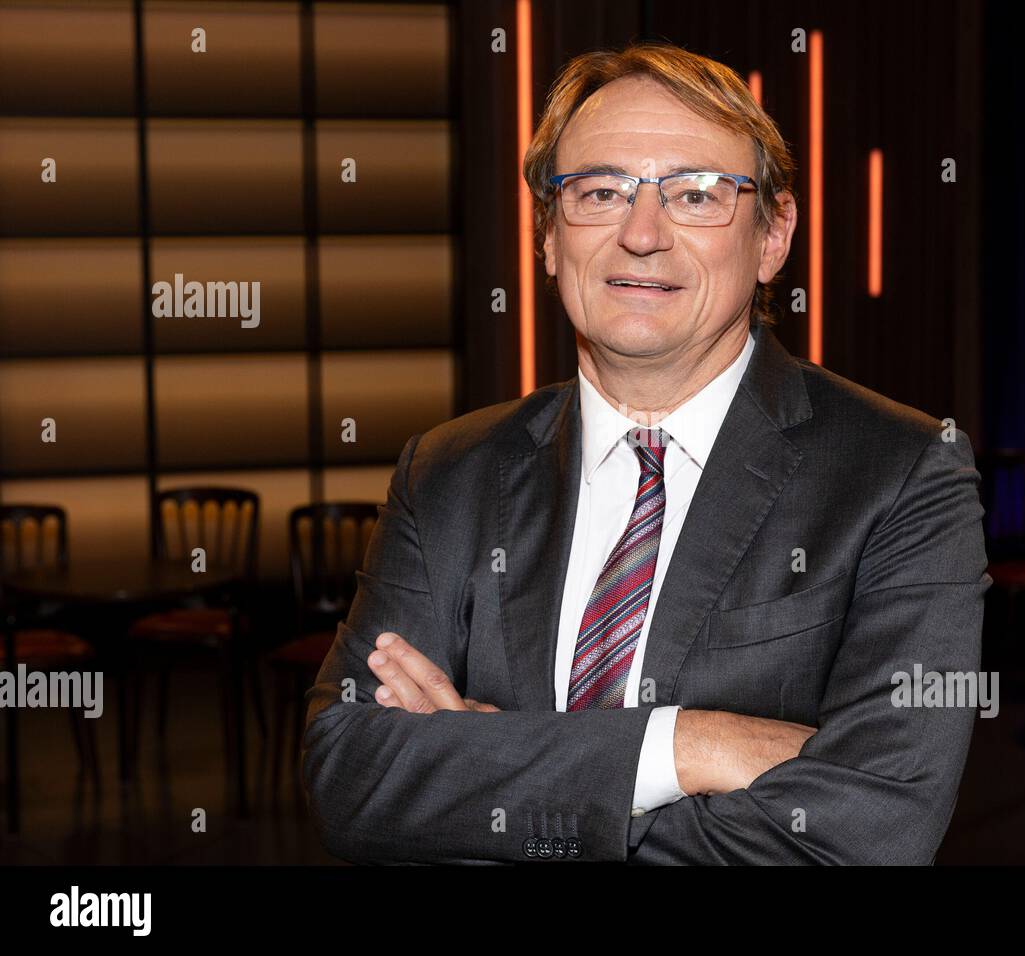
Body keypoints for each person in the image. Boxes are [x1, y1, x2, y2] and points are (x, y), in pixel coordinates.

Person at [302, 41, 990, 865]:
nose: (641, 234)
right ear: (549, 236)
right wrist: (684, 746)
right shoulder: (447, 470)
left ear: (772, 237)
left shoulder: (902, 473)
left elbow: (868, 835)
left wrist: (500, 780)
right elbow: (347, 774)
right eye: (600, 191)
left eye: (697, 194)